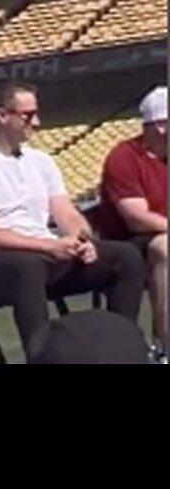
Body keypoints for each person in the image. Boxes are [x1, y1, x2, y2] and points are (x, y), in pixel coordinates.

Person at [0, 83, 146, 355]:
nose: (37, 123)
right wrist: (49, 246)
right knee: (27, 267)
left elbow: (65, 212)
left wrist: (81, 239)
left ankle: (121, 350)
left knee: (126, 256)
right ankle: (42, 358)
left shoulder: (41, 161)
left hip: (47, 255)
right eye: (28, 115)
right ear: (3, 115)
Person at [99, 86, 167, 356]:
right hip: (130, 244)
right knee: (165, 248)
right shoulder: (125, 157)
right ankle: (165, 346)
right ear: (159, 126)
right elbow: (137, 219)